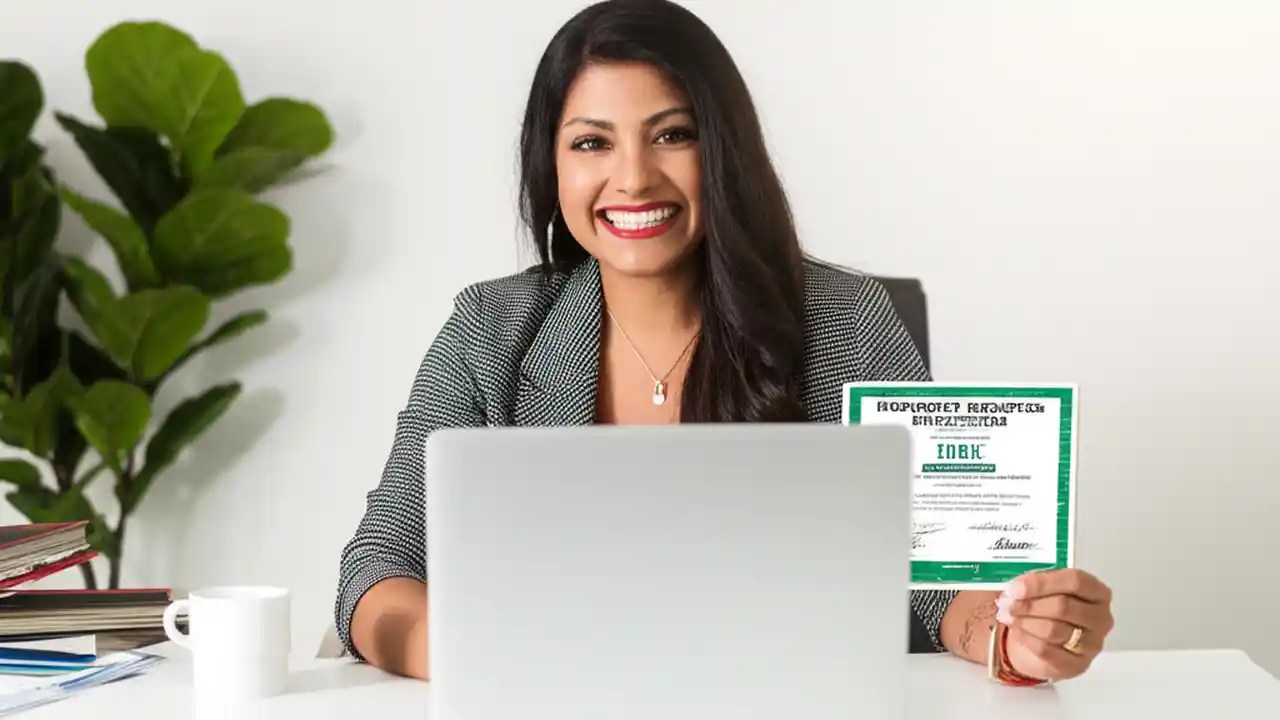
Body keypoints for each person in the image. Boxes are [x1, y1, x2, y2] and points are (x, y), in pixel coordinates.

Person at [335, 0, 1115, 684]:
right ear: (551, 164)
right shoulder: (490, 330)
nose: (633, 179)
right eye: (591, 143)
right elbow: (376, 571)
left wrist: (1016, 637)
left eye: (672, 134)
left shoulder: (849, 319)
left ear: (725, 151)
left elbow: (940, 583)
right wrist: (498, 653)